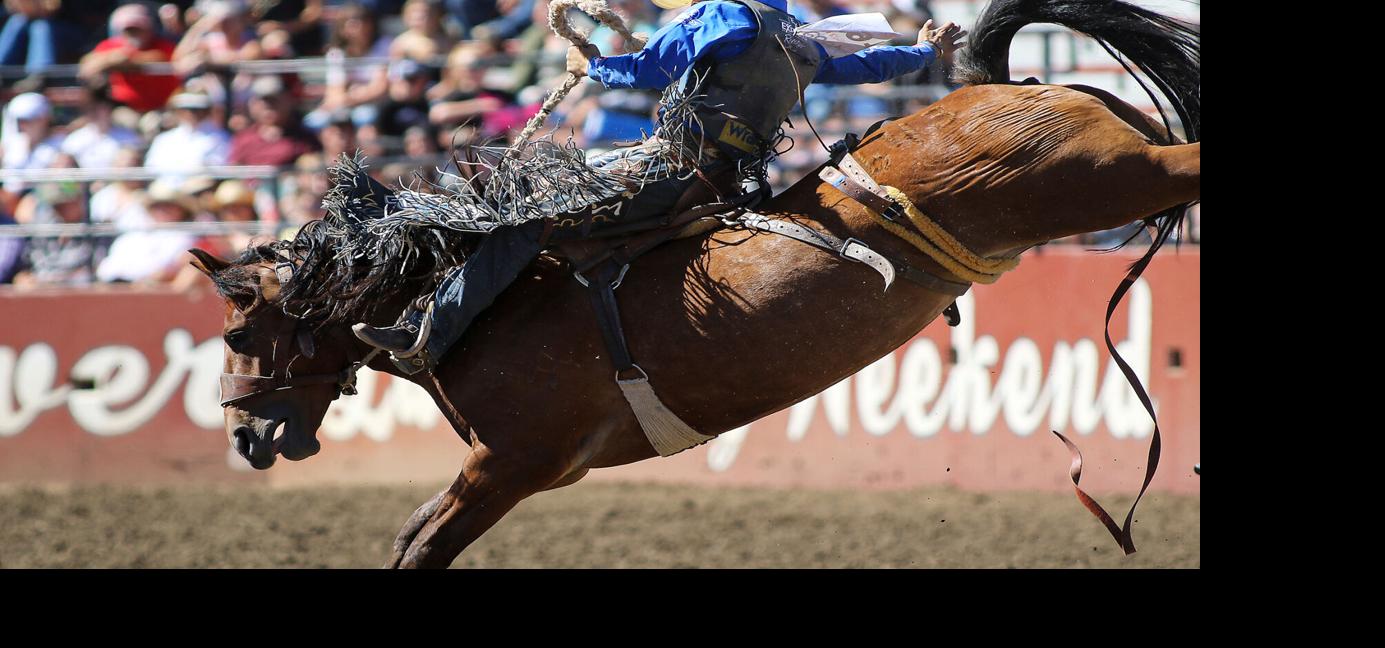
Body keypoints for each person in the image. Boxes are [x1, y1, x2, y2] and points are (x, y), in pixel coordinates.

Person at [352, 0, 962, 374]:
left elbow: (651, 69)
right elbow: (865, 67)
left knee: (527, 219)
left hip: (672, 170)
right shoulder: (800, 41)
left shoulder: (723, 15)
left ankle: (425, 333)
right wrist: (922, 51)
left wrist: (591, 66)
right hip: (740, 182)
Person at [77, 5, 182, 115]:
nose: (134, 33)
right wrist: (112, 59)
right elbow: (88, 62)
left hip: (161, 109)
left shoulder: (163, 46)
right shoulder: (110, 46)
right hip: (122, 109)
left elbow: (159, 57)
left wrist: (124, 60)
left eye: (138, 29)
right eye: (129, 30)